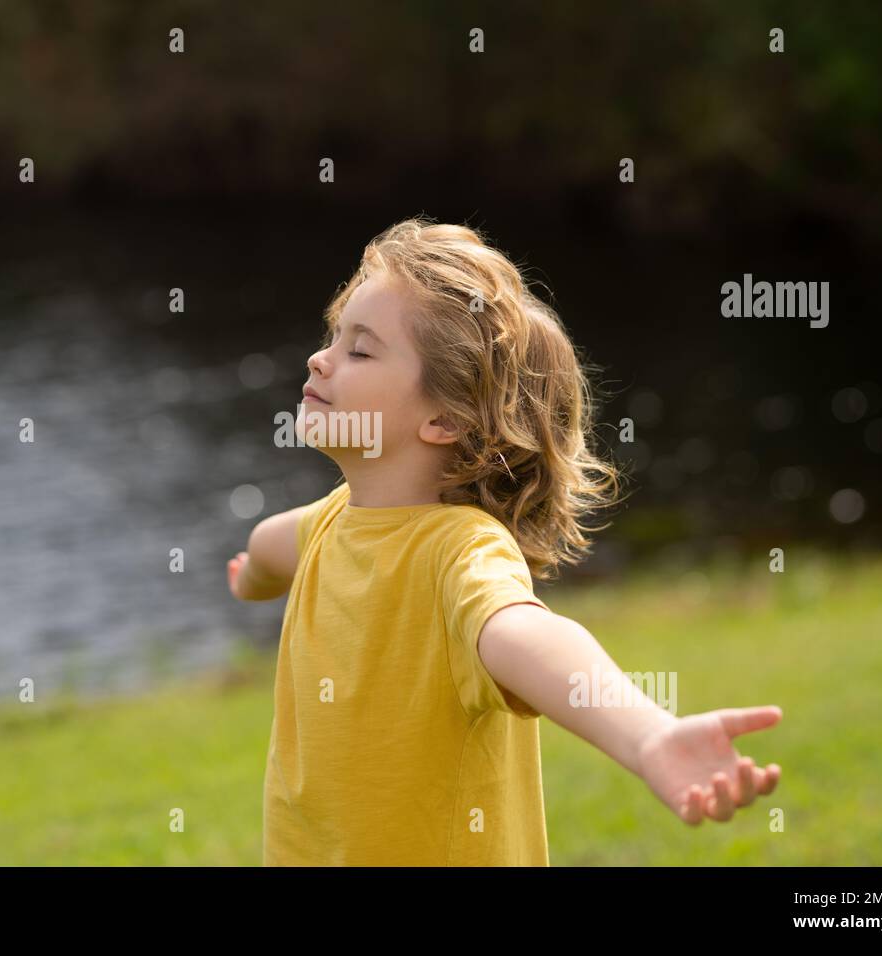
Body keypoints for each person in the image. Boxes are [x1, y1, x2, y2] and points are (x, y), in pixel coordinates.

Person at [228, 217, 782, 865]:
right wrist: (252, 579)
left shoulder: (459, 551)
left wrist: (648, 734)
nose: (320, 358)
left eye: (360, 349)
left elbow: (529, 636)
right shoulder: (331, 523)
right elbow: (270, 545)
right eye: (334, 336)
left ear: (444, 418)